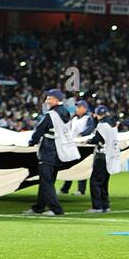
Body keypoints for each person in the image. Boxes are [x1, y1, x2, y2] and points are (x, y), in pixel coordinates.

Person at [25, 89, 74, 217]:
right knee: (48, 181)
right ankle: (39, 207)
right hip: (59, 151)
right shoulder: (66, 113)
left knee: (46, 182)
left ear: (56, 100)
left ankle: (56, 209)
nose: (47, 101)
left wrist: (32, 142)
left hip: (48, 151)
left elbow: (39, 130)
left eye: (49, 98)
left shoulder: (51, 114)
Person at [87, 105, 117, 214]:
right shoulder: (112, 124)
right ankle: (105, 205)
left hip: (101, 156)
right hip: (110, 155)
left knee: (95, 181)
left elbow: (96, 139)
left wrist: (88, 141)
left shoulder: (101, 125)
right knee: (104, 182)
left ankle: (97, 206)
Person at [59, 99, 93, 196]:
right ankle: (65, 189)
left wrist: (81, 135)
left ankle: (81, 190)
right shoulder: (74, 119)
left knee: (81, 168)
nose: (77, 109)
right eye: (77, 107)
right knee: (69, 167)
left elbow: (90, 129)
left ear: (84, 109)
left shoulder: (88, 118)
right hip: (72, 145)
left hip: (82, 146)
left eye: (79, 107)